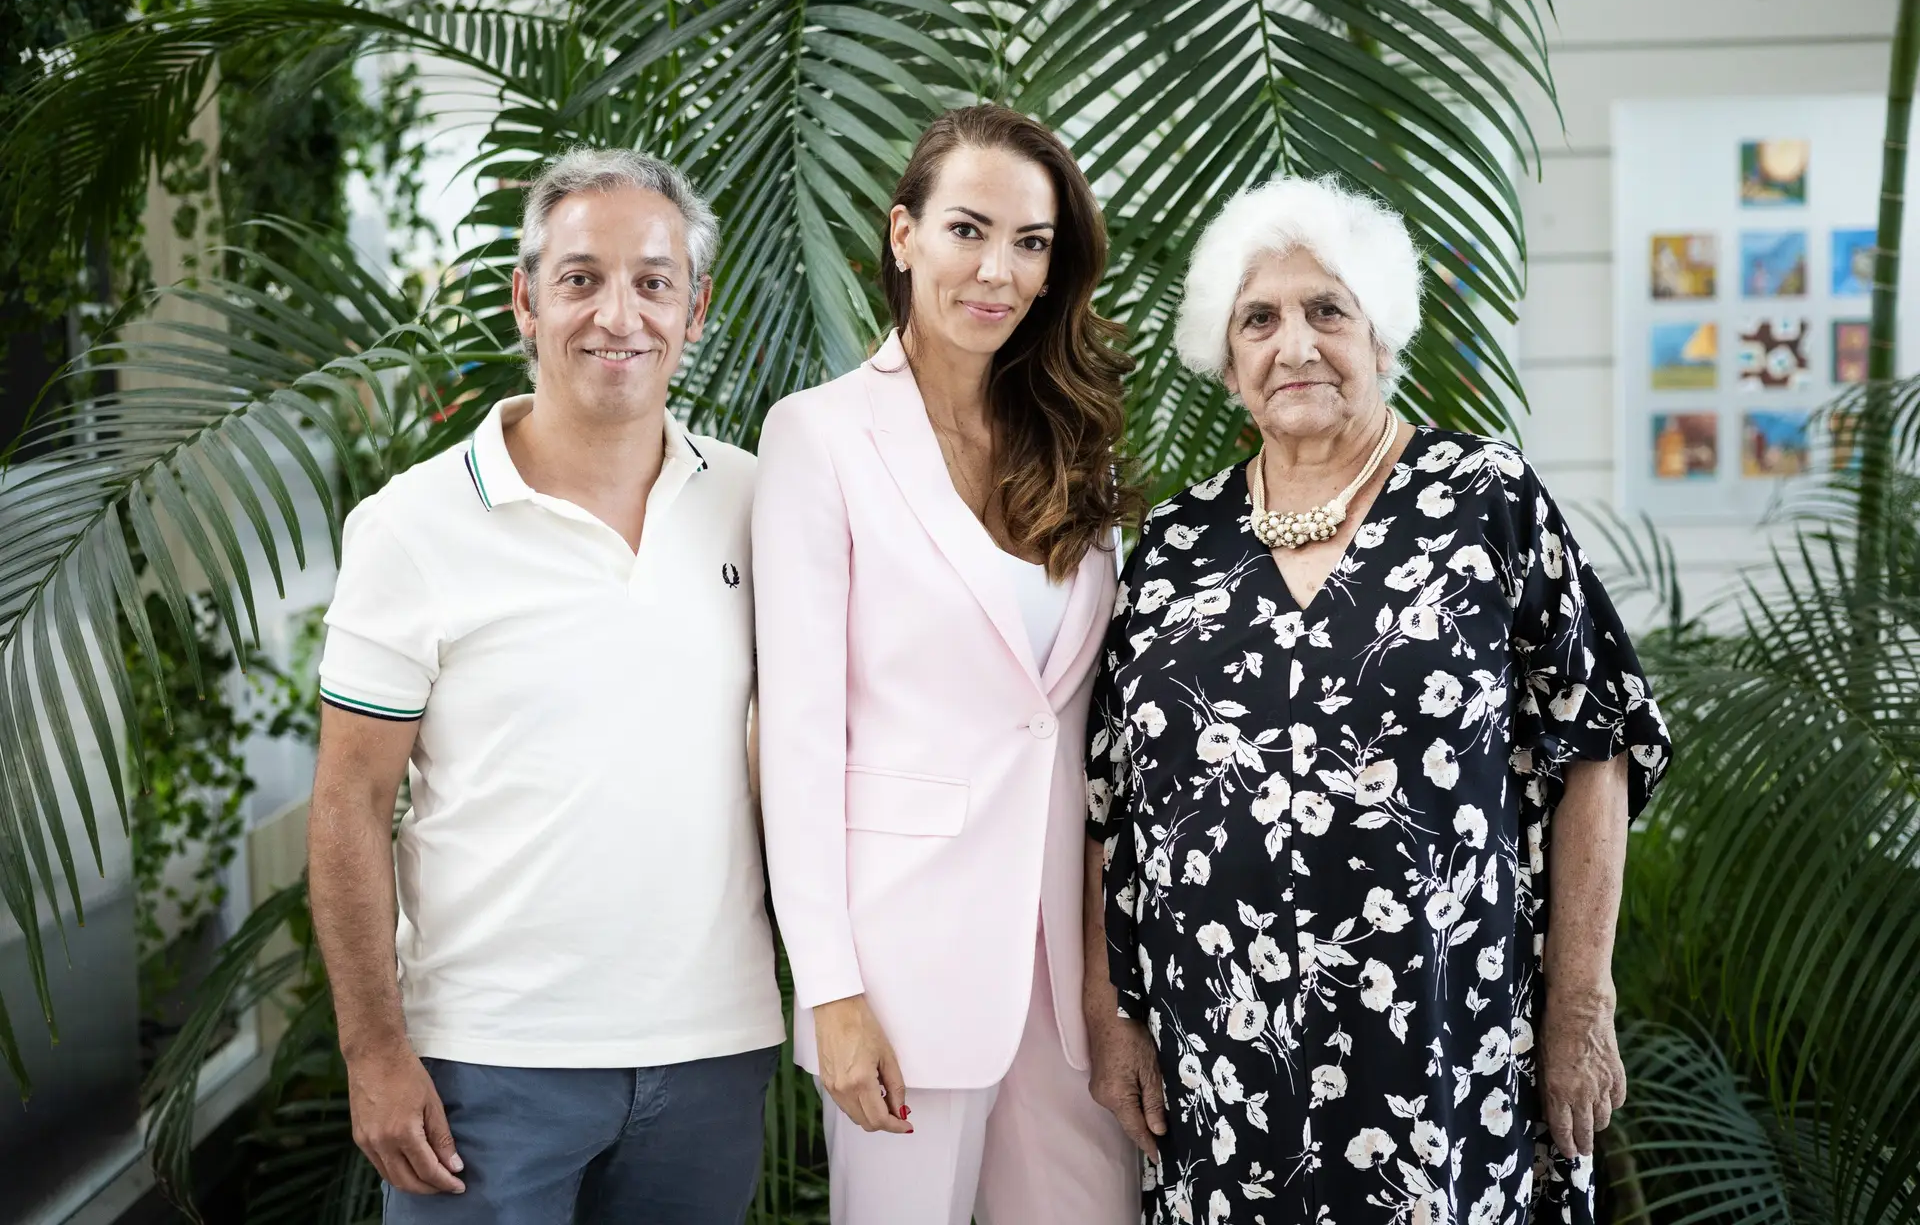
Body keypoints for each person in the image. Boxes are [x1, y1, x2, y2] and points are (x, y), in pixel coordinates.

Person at [1082, 175, 1672, 1225]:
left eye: (1327, 310)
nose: (1294, 344)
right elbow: (1109, 799)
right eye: (1258, 318)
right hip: (1220, 1061)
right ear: (1226, 361)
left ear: (1383, 335)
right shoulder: (1173, 543)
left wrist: (1581, 1002)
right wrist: (1114, 1011)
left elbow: (1599, 740)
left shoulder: (1482, 495)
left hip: (1450, 1043)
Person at [309, 148, 783, 1223]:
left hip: (713, 1051)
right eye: (580, 278)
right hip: (485, 1068)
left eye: (654, 281)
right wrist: (374, 1051)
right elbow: (346, 805)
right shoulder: (411, 527)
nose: (618, 313)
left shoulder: (761, 502)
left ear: (696, 309)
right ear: (526, 300)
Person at [753, 104, 1143, 1225]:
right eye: (969, 229)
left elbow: (1074, 721)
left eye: (1032, 243)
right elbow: (801, 735)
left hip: (1067, 977)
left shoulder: (1069, 439)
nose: (1000, 270)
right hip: (902, 967)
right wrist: (829, 988)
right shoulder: (818, 436)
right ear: (903, 235)